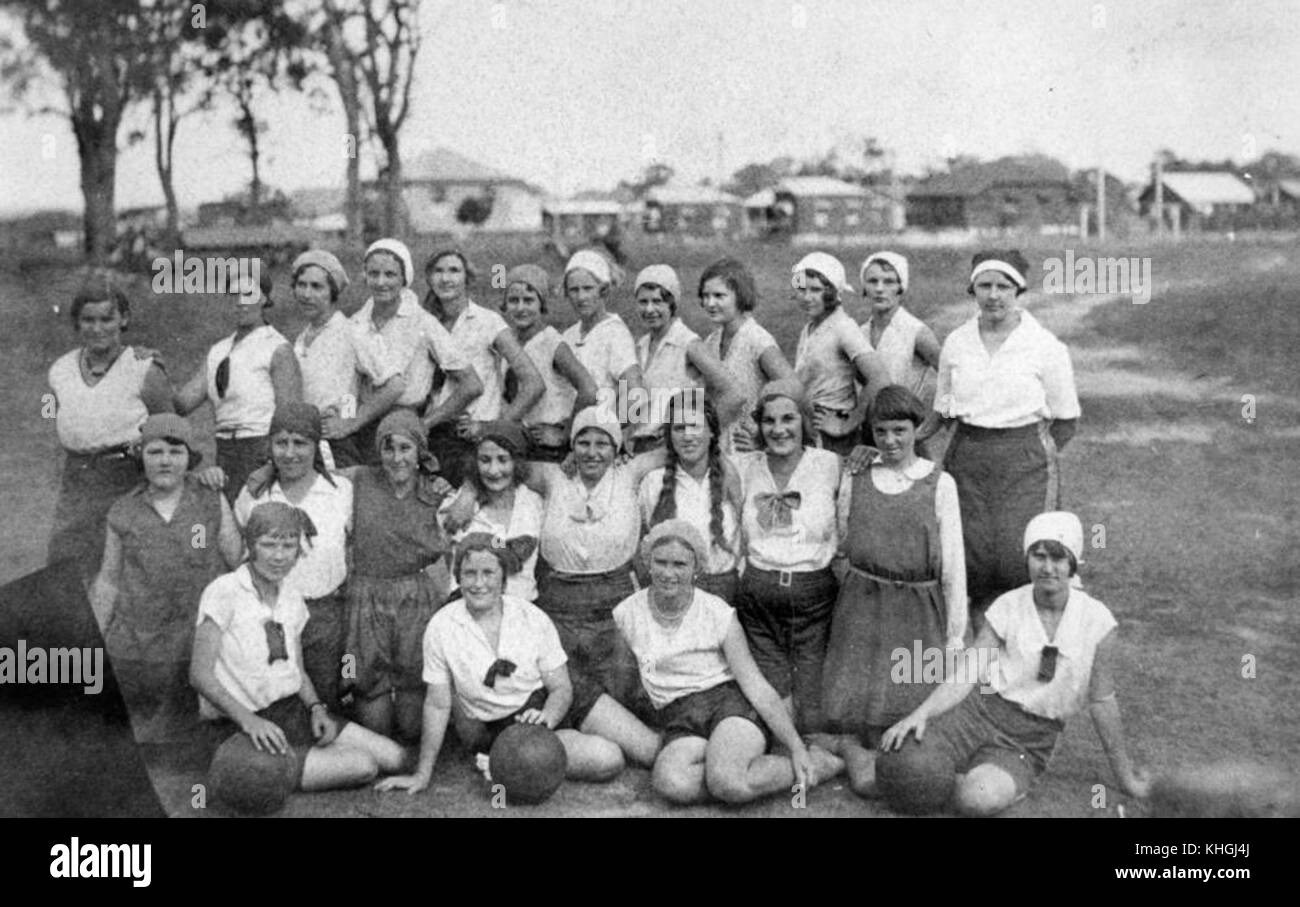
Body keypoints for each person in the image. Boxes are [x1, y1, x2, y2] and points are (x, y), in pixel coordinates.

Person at [877, 512, 1150, 816]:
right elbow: (969, 670)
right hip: (978, 713)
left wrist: (1126, 778)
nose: (1047, 568)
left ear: (1073, 563)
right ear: (1027, 558)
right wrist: (922, 713)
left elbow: (1101, 701)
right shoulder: (1008, 605)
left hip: (1026, 741)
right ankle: (855, 757)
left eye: (1059, 559)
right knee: (904, 763)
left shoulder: (1098, 623)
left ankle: (948, 779)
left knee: (975, 799)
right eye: (1039, 556)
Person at [447, 406, 672, 767]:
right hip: (558, 608)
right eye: (583, 442)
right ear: (572, 445)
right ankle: (562, 751)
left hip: (612, 603)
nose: (592, 451)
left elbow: (684, 441)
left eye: (603, 443)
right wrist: (467, 492)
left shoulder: (630, 472)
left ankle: (621, 746)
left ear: (617, 447)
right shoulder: (552, 476)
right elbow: (499, 463)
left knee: (630, 692)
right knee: (560, 687)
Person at [615, 520, 844, 804]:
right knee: (671, 783)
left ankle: (814, 764)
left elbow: (755, 685)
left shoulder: (716, 612)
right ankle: (728, 766)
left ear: (696, 568)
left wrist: (795, 744)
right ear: (647, 563)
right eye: (660, 562)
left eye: (680, 564)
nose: (668, 573)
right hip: (679, 717)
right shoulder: (626, 613)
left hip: (728, 705)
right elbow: (626, 676)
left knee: (728, 783)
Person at [375, 535, 625, 794]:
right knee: (607, 758)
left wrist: (547, 718)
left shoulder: (530, 615)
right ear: (458, 578)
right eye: (469, 573)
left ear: (503, 579)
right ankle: (519, 763)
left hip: (548, 706)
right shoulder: (442, 626)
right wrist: (422, 774)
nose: (479, 583)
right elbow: (438, 704)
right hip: (508, 727)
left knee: (645, 748)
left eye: (488, 573)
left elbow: (561, 687)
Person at [191, 501, 408, 794]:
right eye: (268, 545)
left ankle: (285, 765)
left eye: (289, 546)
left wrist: (317, 709)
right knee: (364, 765)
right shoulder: (224, 591)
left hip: (292, 712)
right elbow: (200, 675)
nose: (279, 557)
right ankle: (249, 771)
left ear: (299, 549)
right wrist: (250, 721)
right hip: (240, 724)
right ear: (250, 545)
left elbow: (298, 671)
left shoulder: (291, 596)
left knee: (396, 757)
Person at [817, 385, 967, 795]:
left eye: (900, 430)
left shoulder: (940, 483)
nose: (890, 441)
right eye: (880, 432)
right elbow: (842, 537)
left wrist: (955, 638)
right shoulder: (858, 476)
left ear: (917, 429)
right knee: (860, 712)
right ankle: (851, 752)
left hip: (918, 609)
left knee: (910, 712)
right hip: (863, 606)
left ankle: (893, 766)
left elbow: (953, 564)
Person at [924, 250, 1081, 615]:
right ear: (973, 289)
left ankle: (1031, 647)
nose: (993, 295)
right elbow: (942, 408)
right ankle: (981, 656)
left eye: (1003, 286)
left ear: (1018, 290)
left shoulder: (1045, 345)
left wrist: (1029, 454)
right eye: (985, 286)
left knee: (1022, 555)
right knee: (971, 558)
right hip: (968, 457)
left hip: (1025, 459)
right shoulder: (957, 342)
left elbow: (1066, 421)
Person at [89, 414, 241, 744]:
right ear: (141, 457)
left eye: (176, 452)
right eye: (155, 452)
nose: (165, 461)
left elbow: (238, 566)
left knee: (196, 741)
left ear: (189, 459)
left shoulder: (210, 499)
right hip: (140, 645)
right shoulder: (123, 510)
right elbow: (108, 581)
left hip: (195, 645)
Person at [733, 378, 845, 732]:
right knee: (774, 707)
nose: (779, 430)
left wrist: (866, 452)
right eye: (769, 421)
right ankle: (787, 764)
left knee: (812, 714)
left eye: (788, 419)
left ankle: (811, 766)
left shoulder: (830, 464)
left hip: (813, 599)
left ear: (804, 421)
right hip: (759, 597)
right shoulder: (744, 465)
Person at [47, 278, 173, 578]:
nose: (98, 328)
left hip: (129, 480)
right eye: (88, 320)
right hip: (76, 483)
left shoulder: (143, 368)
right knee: (66, 571)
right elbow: (55, 414)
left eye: (107, 318)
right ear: (77, 323)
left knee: (127, 572)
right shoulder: (60, 370)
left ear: (124, 319)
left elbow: (172, 430)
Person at [231, 403, 353, 712]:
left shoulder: (341, 491)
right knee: (275, 694)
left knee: (325, 694)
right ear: (269, 445)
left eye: (300, 443)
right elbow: (230, 549)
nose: (290, 453)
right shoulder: (255, 494)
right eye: (281, 443)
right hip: (271, 615)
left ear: (316, 446)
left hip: (324, 613)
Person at [345, 409, 456, 741]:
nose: (396, 458)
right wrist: (265, 469)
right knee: (365, 684)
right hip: (366, 594)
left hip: (415, 597)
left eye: (405, 448)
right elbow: (313, 474)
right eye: (388, 448)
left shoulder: (435, 491)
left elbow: (475, 502)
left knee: (411, 719)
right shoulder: (359, 479)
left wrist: (470, 495)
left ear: (420, 451)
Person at [174, 270, 303, 504]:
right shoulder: (218, 350)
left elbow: (291, 418)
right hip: (224, 453)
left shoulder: (276, 348)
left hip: (261, 452)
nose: (241, 301)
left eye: (248, 293)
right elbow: (182, 404)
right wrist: (148, 367)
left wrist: (270, 466)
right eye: (235, 294)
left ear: (264, 298)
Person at [348, 238, 481, 462]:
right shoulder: (355, 323)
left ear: (404, 278)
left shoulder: (422, 322)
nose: (381, 282)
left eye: (390, 275)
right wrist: (347, 419)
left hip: (405, 424)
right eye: (374, 274)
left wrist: (427, 422)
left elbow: (472, 385)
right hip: (364, 426)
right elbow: (350, 384)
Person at [420, 248, 543, 485]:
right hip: (432, 435)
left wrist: (494, 426)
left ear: (467, 278)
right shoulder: (424, 323)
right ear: (428, 278)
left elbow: (533, 383)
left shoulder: (488, 321)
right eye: (438, 271)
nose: (446, 278)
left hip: (473, 438)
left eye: (454, 270)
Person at [290, 249, 405, 469]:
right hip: (304, 442)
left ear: (332, 292)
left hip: (335, 444)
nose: (306, 294)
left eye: (316, 287)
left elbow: (395, 385)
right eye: (301, 285)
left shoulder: (352, 331)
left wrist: (351, 421)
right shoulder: (301, 338)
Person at [627, 264, 743, 454]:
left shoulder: (688, 343)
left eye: (657, 301)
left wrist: (700, 432)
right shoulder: (640, 346)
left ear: (672, 303)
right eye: (643, 301)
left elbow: (735, 394)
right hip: (641, 449)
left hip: (674, 452)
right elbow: (631, 407)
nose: (649, 309)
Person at [637, 393, 740, 603]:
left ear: (712, 432)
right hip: (673, 592)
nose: (688, 436)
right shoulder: (653, 482)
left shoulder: (733, 475)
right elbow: (639, 544)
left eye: (695, 426)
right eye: (679, 428)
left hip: (726, 589)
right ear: (669, 435)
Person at [791, 252, 891, 456]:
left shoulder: (843, 327)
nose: (807, 297)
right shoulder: (809, 327)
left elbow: (880, 377)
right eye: (802, 289)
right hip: (811, 425)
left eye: (816, 290)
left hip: (834, 433)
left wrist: (848, 423)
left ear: (832, 292)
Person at [497, 264, 598, 462]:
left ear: (541, 304)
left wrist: (565, 432)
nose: (520, 308)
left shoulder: (552, 343)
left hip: (546, 447)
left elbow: (589, 389)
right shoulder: (506, 341)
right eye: (513, 301)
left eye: (528, 301)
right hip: (516, 441)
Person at [696, 258, 795, 454]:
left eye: (719, 296)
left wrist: (765, 434)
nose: (710, 303)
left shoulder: (757, 339)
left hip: (749, 448)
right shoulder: (711, 341)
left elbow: (791, 388)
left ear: (740, 296)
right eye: (705, 296)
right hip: (719, 446)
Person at [440, 422, 544, 602]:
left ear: (517, 462)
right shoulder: (456, 507)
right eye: (485, 460)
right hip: (467, 611)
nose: (493, 470)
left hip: (521, 613)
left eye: (503, 460)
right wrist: (468, 492)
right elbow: (446, 560)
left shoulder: (534, 503)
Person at [559, 250, 644, 441]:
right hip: (573, 435)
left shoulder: (614, 333)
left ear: (603, 290)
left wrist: (609, 433)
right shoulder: (569, 335)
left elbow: (636, 394)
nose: (581, 297)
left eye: (588, 288)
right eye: (574, 290)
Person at [857, 252, 940, 406]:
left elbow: (951, 379)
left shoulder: (916, 332)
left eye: (889, 282)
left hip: (907, 425)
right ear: (864, 286)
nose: (879, 289)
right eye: (872, 281)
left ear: (900, 287)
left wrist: (938, 423)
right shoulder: (860, 333)